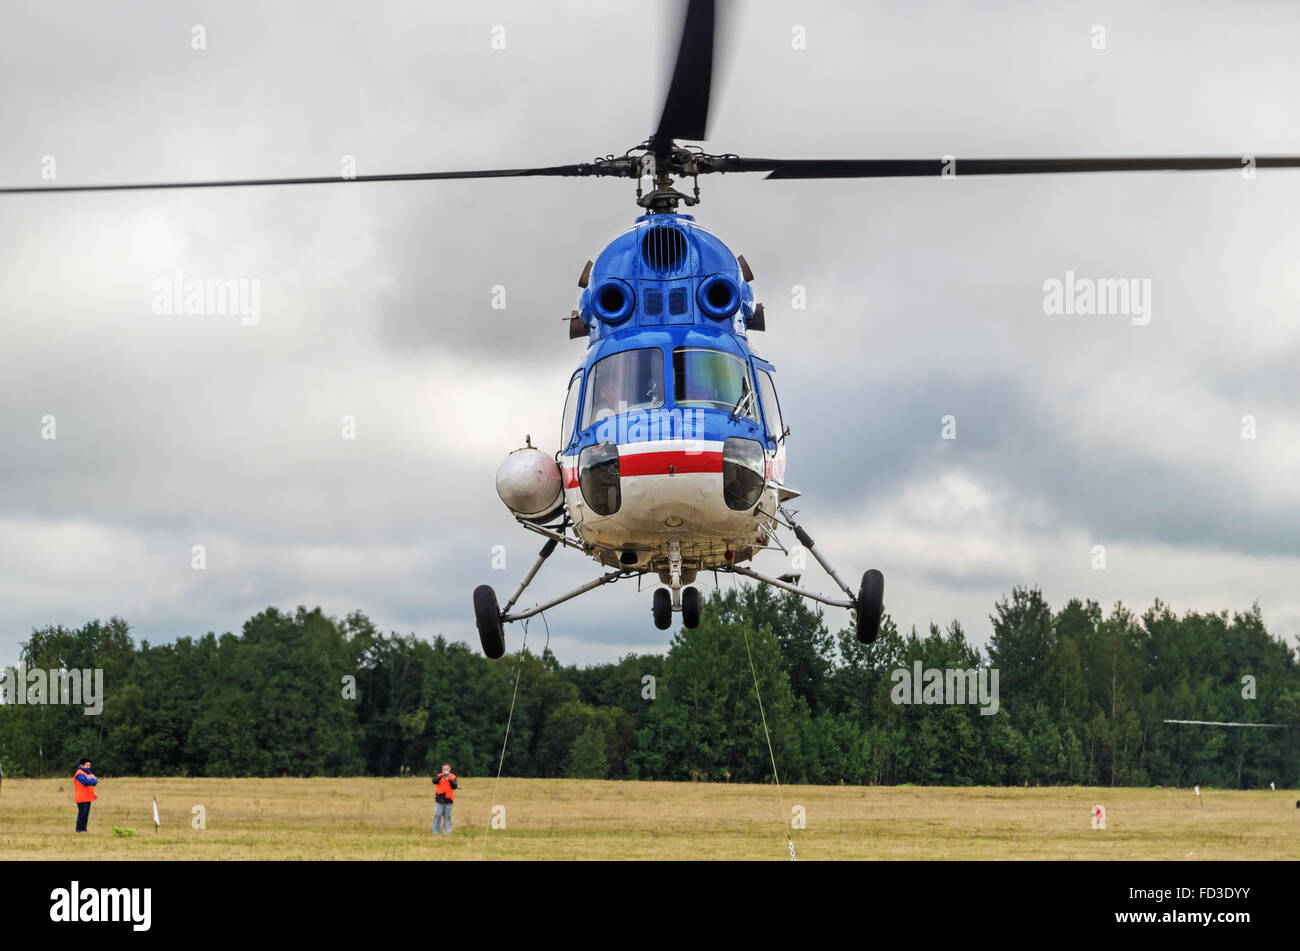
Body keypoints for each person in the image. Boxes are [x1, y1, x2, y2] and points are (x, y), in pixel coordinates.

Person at [74, 758, 98, 832]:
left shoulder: (88, 773)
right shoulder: (79, 774)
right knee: (82, 814)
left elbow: (95, 782)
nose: (88, 767)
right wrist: (93, 780)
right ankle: (78, 829)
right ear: (82, 765)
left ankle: (84, 829)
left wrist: (92, 780)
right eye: (87, 765)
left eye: (89, 765)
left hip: (88, 797)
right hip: (81, 797)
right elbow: (86, 782)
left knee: (86, 815)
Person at [432, 763, 457, 835]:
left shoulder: (453, 777)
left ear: (450, 770)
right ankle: (435, 832)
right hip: (439, 800)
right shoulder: (439, 776)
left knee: (447, 817)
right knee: (437, 816)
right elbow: (434, 781)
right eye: (444, 769)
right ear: (442, 770)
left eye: (447, 769)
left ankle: (447, 832)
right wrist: (442, 775)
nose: (445, 771)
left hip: (448, 801)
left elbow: (454, 786)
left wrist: (449, 779)